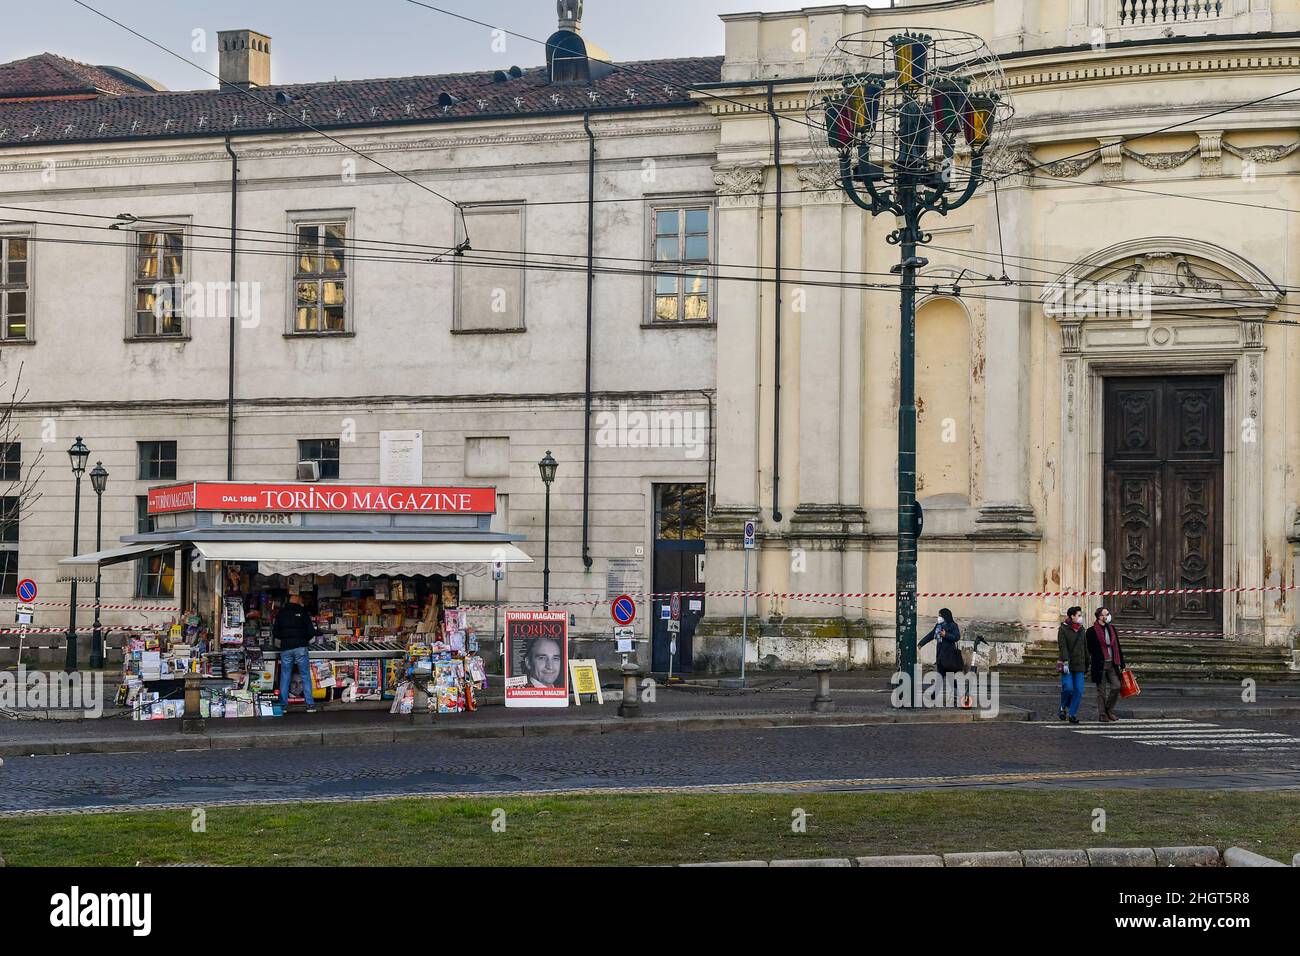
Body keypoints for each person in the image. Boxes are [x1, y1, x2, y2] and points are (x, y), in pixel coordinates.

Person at [274, 593, 320, 713]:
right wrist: (304, 640)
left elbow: (275, 632)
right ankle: (310, 705)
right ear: (298, 601)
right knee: (305, 675)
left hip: (286, 648)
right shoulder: (303, 612)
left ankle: (283, 705)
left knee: (285, 676)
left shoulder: (281, 613)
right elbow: (311, 631)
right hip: (300, 648)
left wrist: (285, 638)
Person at [1087, 606, 1126, 722]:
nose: (1108, 616)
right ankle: (1102, 714)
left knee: (1116, 686)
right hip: (1099, 664)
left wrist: (1122, 663)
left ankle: (1108, 709)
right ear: (1100, 617)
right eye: (1106, 614)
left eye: (1108, 613)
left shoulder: (1112, 628)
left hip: (1112, 664)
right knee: (1101, 691)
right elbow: (1089, 649)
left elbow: (1117, 647)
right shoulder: (1091, 631)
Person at [918, 608, 964, 706]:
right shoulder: (938, 626)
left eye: (940, 615)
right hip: (940, 655)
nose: (939, 617)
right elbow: (931, 635)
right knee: (943, 676)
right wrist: (921, 644)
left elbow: (957, 637)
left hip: (949, 655)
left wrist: (945, 634)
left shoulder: (953, 625)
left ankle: (936, 696)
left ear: (945, 616)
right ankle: (953, 696)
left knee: (947, 677)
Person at [1056, 606, 1088, 724]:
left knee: (1078, 690)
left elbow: (1085, 647)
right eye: (1079, 615)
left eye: (1081, 615)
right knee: (1068, 688)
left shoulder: (1082, 629)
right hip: (1067, 663)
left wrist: (1087, 662)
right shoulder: (1063, 629)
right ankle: (1063, 706)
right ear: (1072, 616)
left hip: (1079, 664)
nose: (1080, 618)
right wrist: (1065, 661)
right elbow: (1062, 646)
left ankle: (1072, 714)